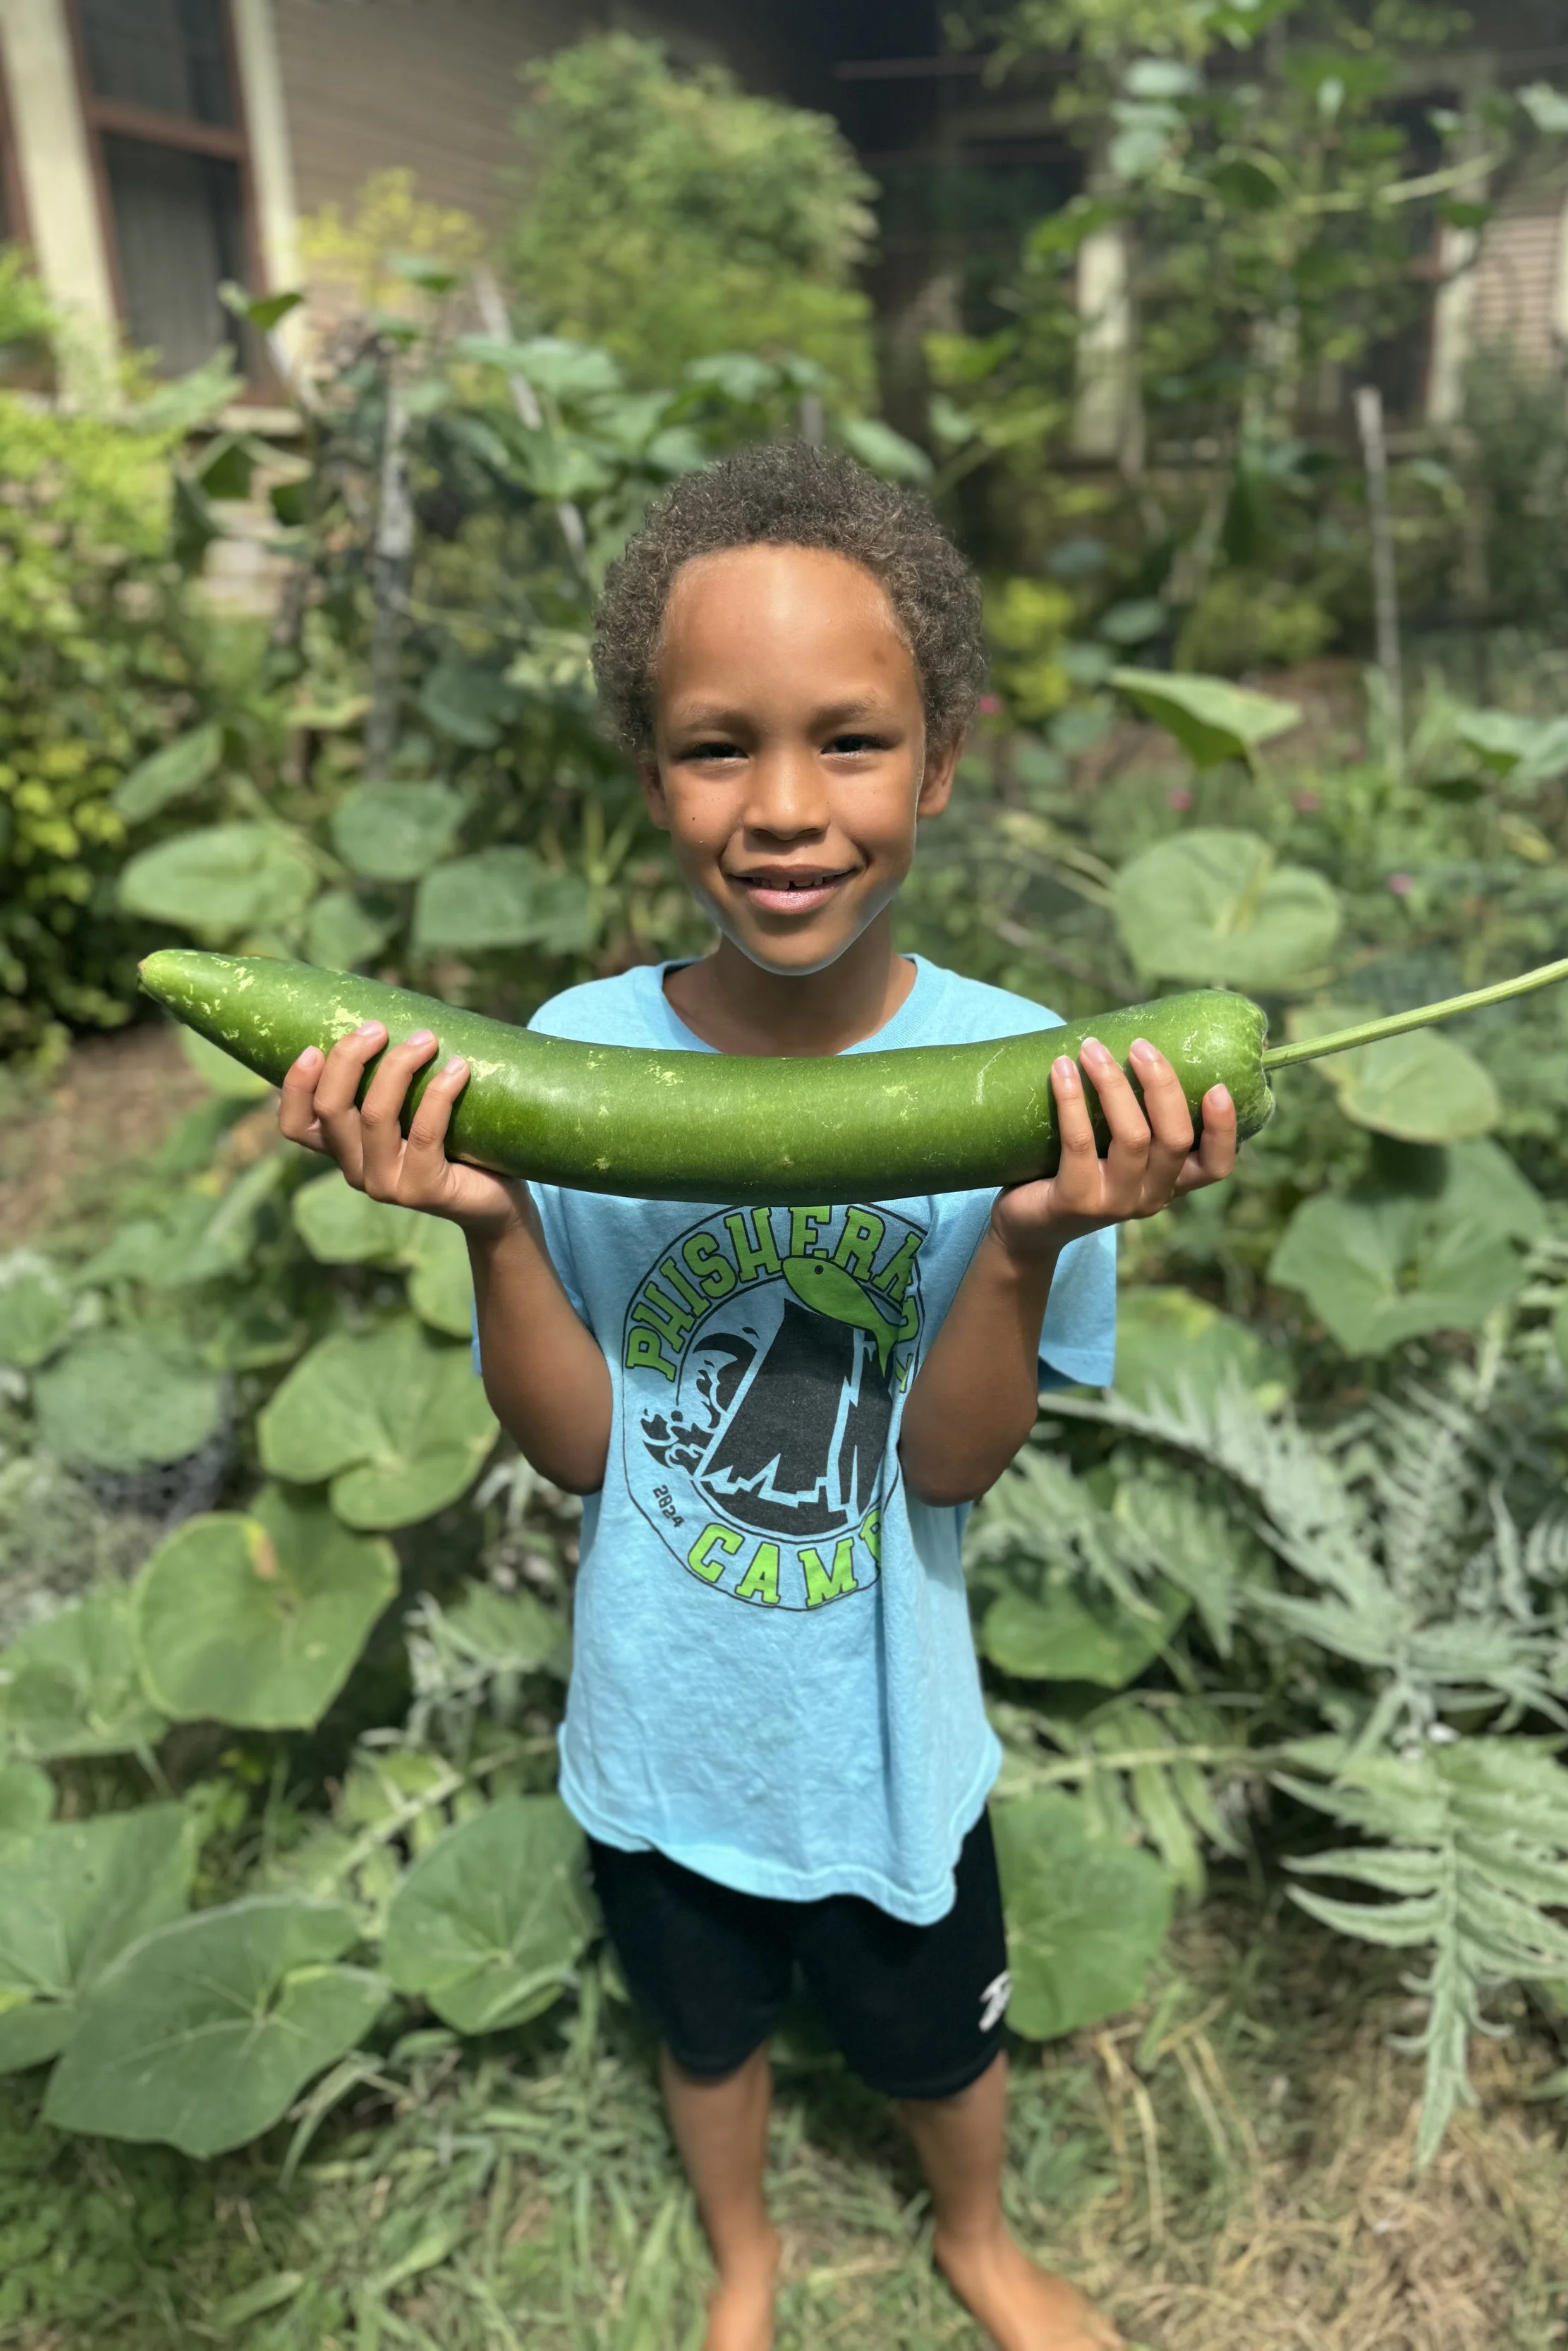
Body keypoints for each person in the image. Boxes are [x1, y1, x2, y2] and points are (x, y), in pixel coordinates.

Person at [277, 443, 1236, 2351]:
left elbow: (950, 1461)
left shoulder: (1037, 1088)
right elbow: (578, 1450)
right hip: (660, 1712)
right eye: (718, 746)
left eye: (850, 744)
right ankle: (742, 2257)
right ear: (652, 775)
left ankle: (973, 2236)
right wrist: (488, 1224)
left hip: (886, 1739)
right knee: (696, 2024)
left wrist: (1031, 1238)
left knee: (937, 2036)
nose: (784, 807)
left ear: (942, 758)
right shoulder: (568, 1062)